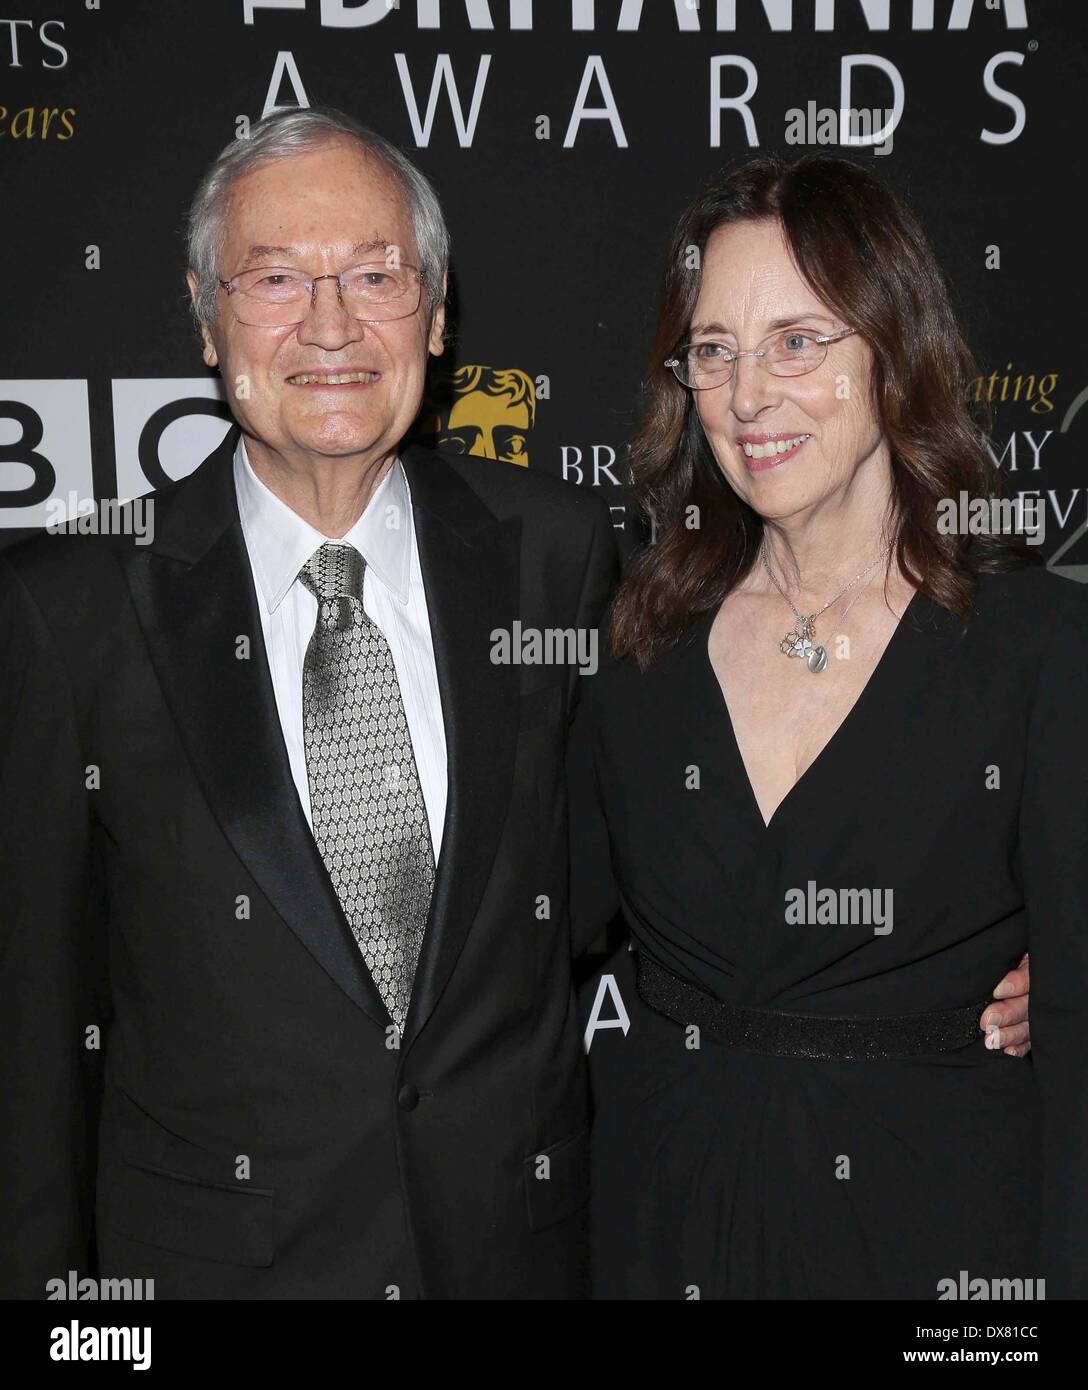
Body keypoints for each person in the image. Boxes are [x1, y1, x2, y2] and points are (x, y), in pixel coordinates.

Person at [0, 106, 616, 1299]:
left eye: (374, 274)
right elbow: (31, 1046)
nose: (329, 324)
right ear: (203, 310)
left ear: (435, 316)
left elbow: (654, 870)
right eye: (276, 276)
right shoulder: (65, 610)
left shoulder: (559, 555)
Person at [569, 153, 1081, 1300]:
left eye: (797, 341)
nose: (749, 396)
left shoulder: (1034, 647)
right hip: (666, 1224)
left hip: (940, 1244)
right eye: (714, 350)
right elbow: (516, 924)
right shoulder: (638, 645)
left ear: (893, 351)